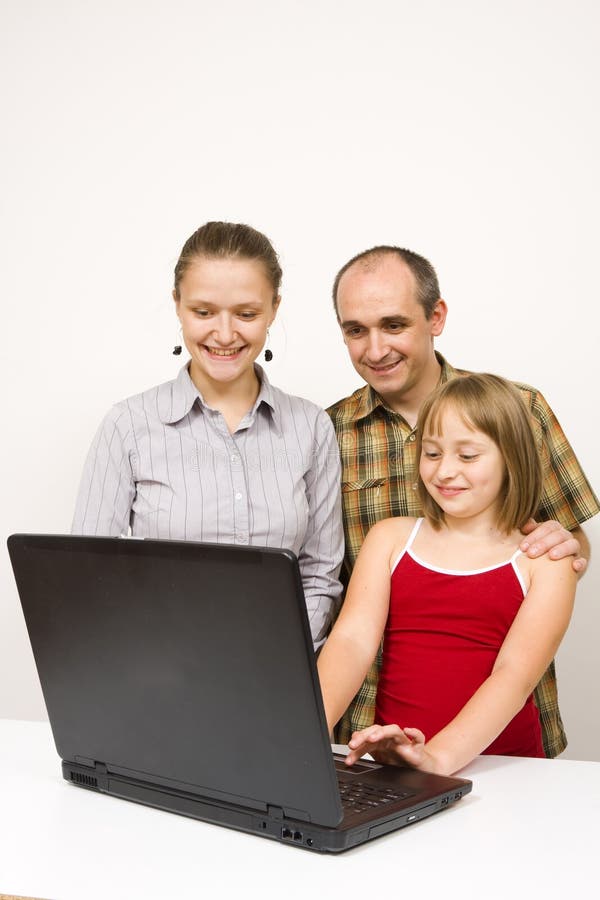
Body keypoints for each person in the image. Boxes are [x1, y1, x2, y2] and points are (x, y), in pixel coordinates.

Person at [327, 245, 599, 755]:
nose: (376, 347)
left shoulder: (520, 409)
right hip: (374, 724)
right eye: (355, 330)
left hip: (501, 734)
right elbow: (342, 619)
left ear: (435, 317)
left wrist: (564, 545)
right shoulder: (326, 433)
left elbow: (569, 538)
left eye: (393, 324)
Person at [72, 221, 343, 648]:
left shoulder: (311, 427)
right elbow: (88, 574)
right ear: (177, 305)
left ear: (274, 308)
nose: (224, 333)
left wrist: (273, 654)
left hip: (281, 674)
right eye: (203, 312)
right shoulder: (128, 425)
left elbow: (320, 576)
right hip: (158, 671)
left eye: (247, 313)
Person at [319, 373, 578, 774]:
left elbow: (514, 676)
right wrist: (308, 733)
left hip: (503, 770)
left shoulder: (546, 562)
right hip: (396, 765)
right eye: (432, 453)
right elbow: (352, 642)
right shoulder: (389, 539)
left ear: (512, 459)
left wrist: (437, 757)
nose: (444, 471)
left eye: (468, 456)